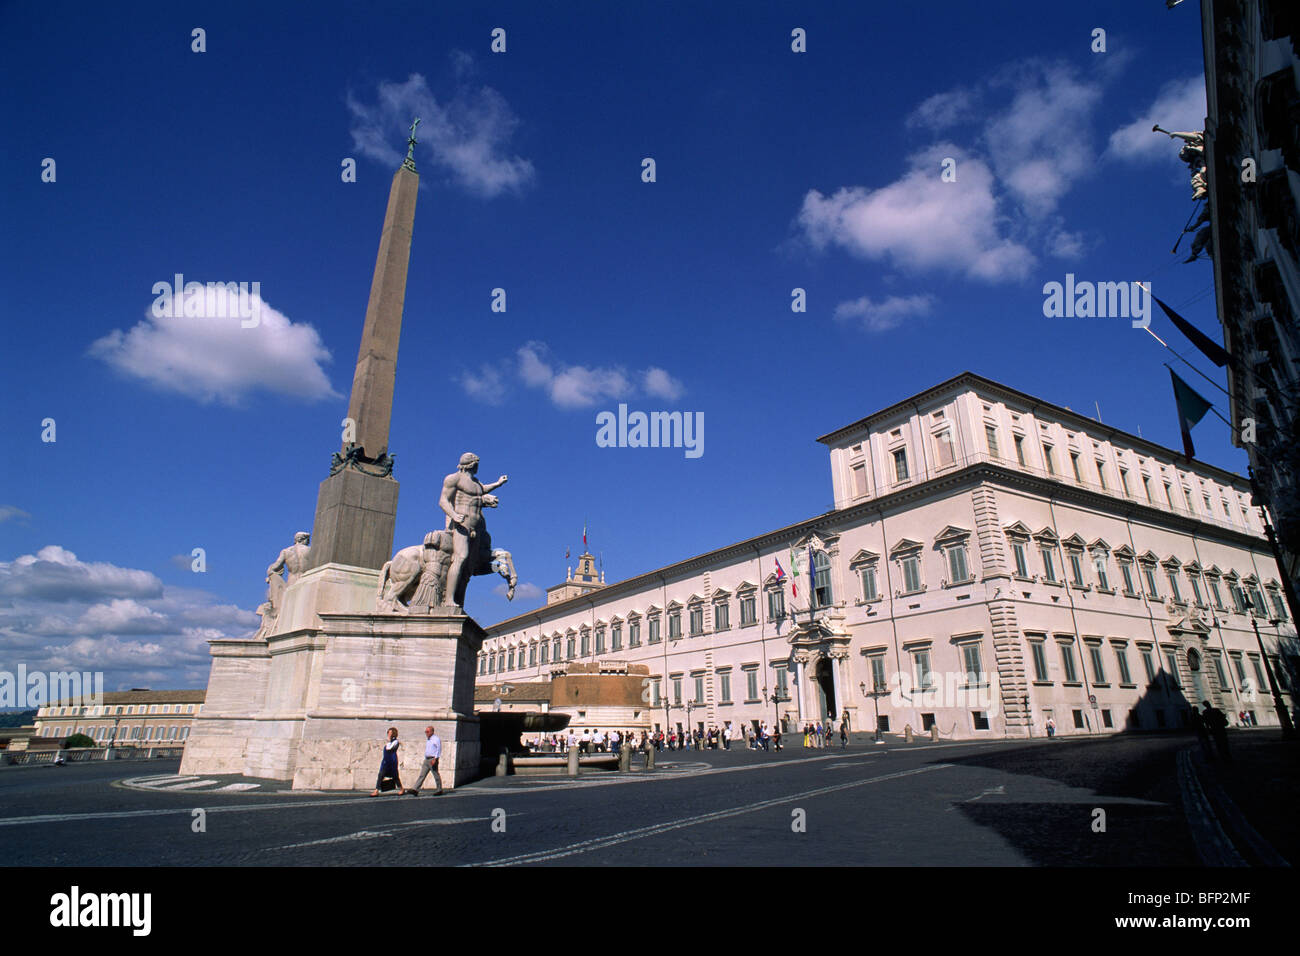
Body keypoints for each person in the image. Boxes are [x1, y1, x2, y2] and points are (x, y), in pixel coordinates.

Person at [406, 725, 444, 795]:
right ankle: (415, 789)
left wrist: (436, 759)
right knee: (422, 775)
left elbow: (439, 749)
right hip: (426, 760)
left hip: (433, 759)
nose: (426, 733)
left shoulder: (436, 739)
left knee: (436, 775)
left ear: (432, 731)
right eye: (425, 732)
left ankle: (439, 789)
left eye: (427, 731)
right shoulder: (428, 739)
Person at [370, 727, 403, 797]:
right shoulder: (390, 742)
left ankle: (401, 788)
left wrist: (387, 743)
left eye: (390, 732)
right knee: (381, 775)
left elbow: (389, 748)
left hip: (391, 761)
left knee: (395, 776)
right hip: (386, 761)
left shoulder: (395, 742)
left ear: (393, 734)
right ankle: (376, 790)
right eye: (388, 732)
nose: (388, 734)